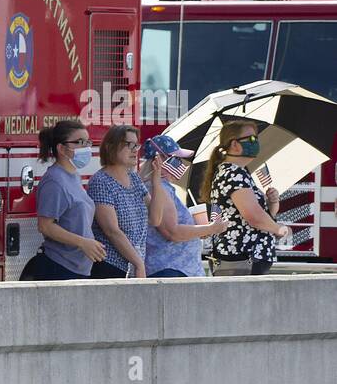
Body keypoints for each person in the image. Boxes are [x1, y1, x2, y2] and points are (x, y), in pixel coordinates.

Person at [202, 117, 288, 276]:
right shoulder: (234, 174)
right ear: (234, 144)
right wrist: (279, 229)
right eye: (252, 138)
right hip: (242, 259)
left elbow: (255, 215)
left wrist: (272, 204)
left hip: (243, 258)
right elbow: (253, 217)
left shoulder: (237, 173)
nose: (256, 143)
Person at [85, 125, 167, 278]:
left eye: (136, 145)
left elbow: (155, 219)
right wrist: (138, 263)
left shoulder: (134, 177)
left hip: (134, 264)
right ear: (111, 147)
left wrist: (156, 181)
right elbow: (112, 231)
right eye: (128, 145)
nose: (135, 150)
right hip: (110, 265)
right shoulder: (101, 182)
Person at [143, 134, 228, 278]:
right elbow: (172, 232)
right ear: (159, 159)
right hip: (171, 270)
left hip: (175, 270)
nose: (180, 162)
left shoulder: (158, 186)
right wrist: (211, 228)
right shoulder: (157, 188)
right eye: (175, 158)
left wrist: (199, 230)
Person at [32, 119, 106, 280]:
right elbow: (45, 226)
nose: (86, 147)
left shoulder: (73, 176)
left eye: (87, 142)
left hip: (79, 267)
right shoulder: (54, 180)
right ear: (61, 148)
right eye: (79, 142)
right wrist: (82, 243)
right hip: (60, 266)